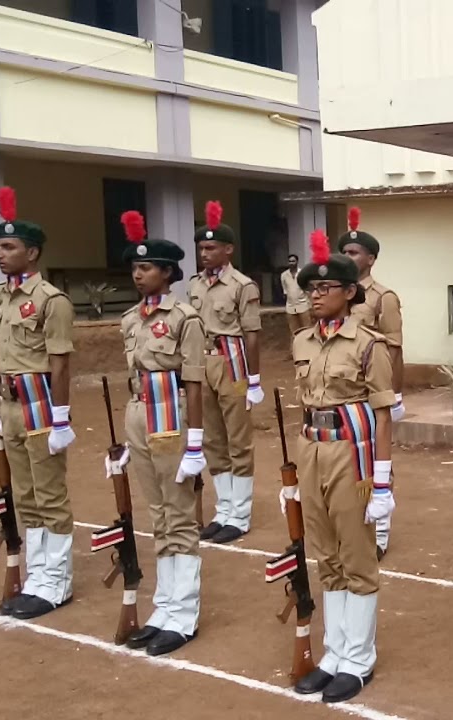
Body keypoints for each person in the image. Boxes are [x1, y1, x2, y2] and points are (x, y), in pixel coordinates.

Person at [290, 228, 395, 703]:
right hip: (313, 448)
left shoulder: (368, 345)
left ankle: (359, 658)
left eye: (325, 288)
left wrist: (384, 481)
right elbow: (303, 405)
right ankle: (334, 652)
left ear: (350, 292)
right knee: (326, 555)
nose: (316, 295)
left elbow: (382, 414)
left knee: (356, 555)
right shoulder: (302, 343)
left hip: (353, 452)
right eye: (311, 288)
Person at [108, 211, 207, 656]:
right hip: (139, 415)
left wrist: (197, 443)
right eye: (134, 267)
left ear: (168, 272)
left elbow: (194, 381)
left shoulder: (185, 317)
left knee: (180, 515)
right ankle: (163, 608)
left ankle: (183, 615)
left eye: (146, 267)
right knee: (158, 515)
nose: (138, 273)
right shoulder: (131, 319)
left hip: (172, 415)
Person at [0, 186, 77, 620]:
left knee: (50, 494)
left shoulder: (51, 301)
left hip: (40, 404)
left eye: (9, 247)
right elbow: (4, 356)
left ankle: (56, 582)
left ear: (32, 252)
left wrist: (61, 418)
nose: (0, 254)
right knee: (23, 495)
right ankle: (37, 575)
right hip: (10, 404)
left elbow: (59, 364)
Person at [189, 201, 264, 545]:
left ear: (228, 249)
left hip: (231, 361)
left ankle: (241, 514)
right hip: (201, 363)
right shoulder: (195, 284)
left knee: (237, 441)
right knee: (212, 440)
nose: (204, 253)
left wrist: (254, 380)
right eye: (201, 247)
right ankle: (224, 510)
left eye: (211, 247)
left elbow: (251, 334)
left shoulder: (242, 285)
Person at [337, 206, 404, 559]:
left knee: (378, 458)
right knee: (348, 461)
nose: (347, 256)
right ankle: (353, 522)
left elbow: (393, 348)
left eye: (353, 252)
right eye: (343, 252)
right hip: (343, 392)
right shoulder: (335, 291)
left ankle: (379, 531)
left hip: (370, 390)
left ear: (371, 259)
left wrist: (396, 394)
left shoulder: (383, 297)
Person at [282, 253, 311, 340]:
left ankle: (308, 349)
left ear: (297, 262)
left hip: (303, 305)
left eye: (293, 261)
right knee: (293, 332)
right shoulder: (284, 275)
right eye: (290, 261)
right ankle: (294, 351)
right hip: (290, 307)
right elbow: (285, 290)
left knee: (307, 330)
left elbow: (307, 289)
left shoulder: (302, 273)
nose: (291, 263)